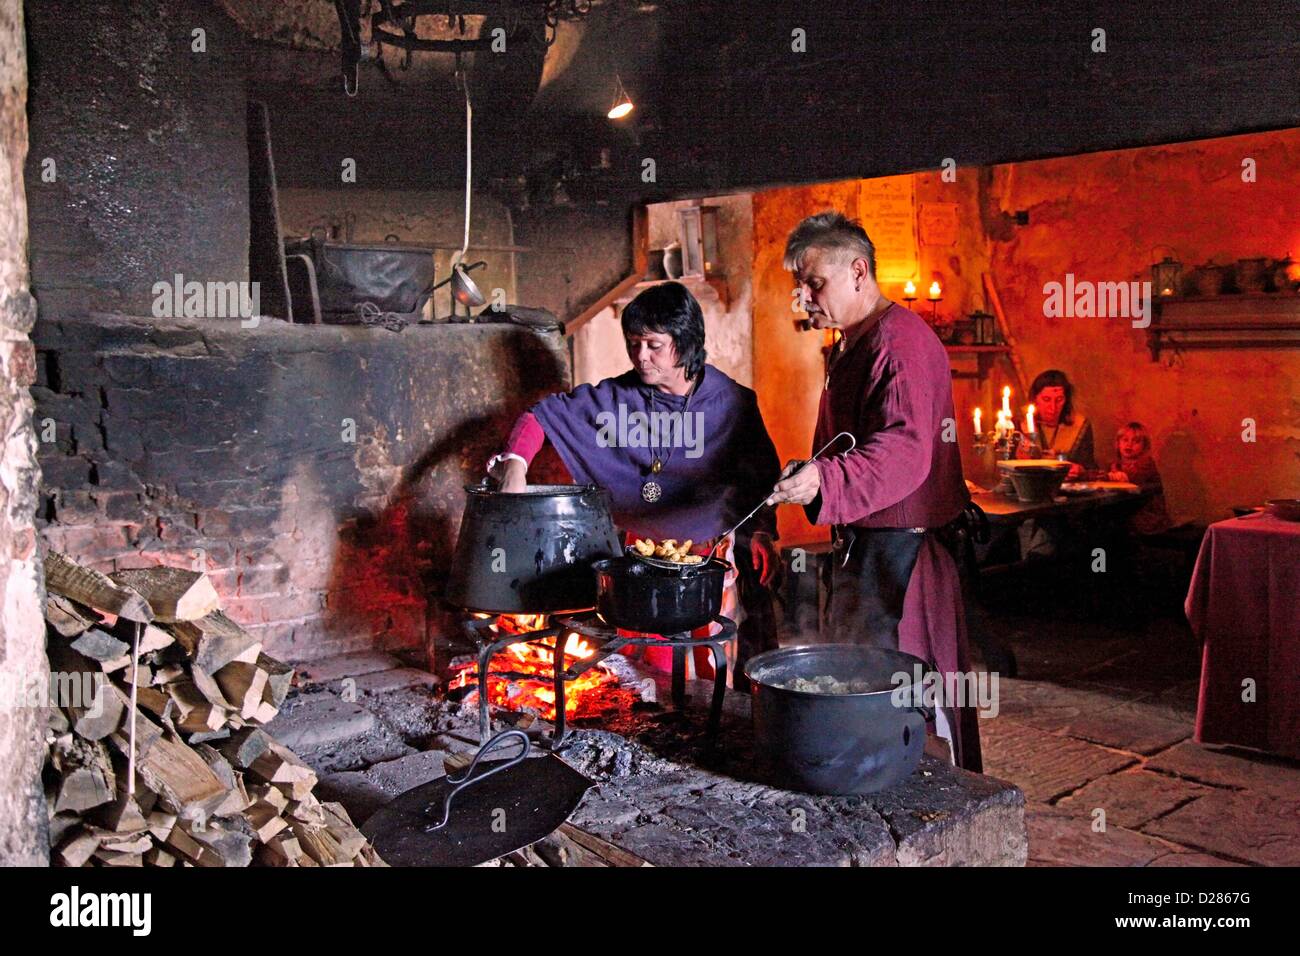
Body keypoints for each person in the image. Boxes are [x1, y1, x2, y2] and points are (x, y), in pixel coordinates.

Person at [766, 212, 981, 772]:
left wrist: (826, 479)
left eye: (815, 283)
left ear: (859, 271)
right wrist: (814, 470)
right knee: (867, 698)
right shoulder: (850, 346)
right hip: (870, 549)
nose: (804, 296)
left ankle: (931, 826)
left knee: (911, 708)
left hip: (904, 560)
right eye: (800, 285)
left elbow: (906, 451)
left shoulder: (901, 342)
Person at [488, 281, 781, 684]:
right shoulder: (618, 398)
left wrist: (763, 534)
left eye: (653, 345)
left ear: (686, 341)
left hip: (712, 563)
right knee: (647, 678)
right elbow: (541, 416)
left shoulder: (732, 403)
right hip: (639, 567)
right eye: (633, 344)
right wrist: (515, 463)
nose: (640, 357)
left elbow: (761, 480)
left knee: (714, 674)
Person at [1018, 369, 1096, 478]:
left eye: (1059, 400)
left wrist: (1080, 469)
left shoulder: (1079, 425)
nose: (1053, 407)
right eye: (1046, 399)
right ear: (1035, 399)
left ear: (1066, 400)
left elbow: (1089, 466)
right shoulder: (1020, 424)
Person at [1108, 422, 1172, 535]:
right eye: (1125, 440)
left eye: (1136, 441)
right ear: (1118, 443)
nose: (1129, 444)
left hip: (1148, 516)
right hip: (1129, 512)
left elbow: (1132, 477)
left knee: (1110, 522)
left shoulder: (1146, 463)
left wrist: (1114, 476)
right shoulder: (1116, 465)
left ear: (1144, 446)